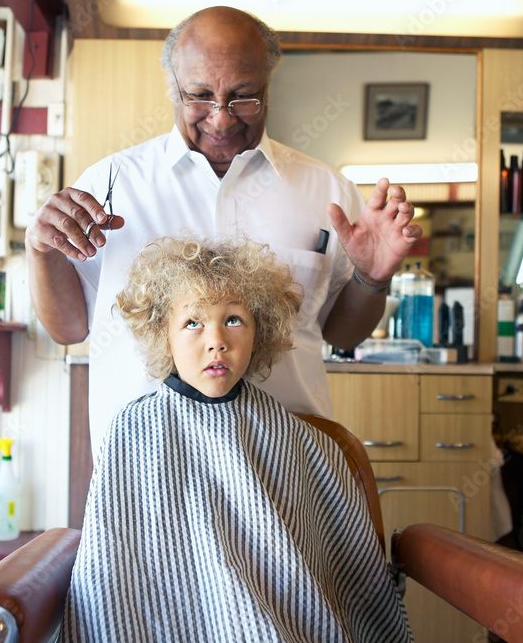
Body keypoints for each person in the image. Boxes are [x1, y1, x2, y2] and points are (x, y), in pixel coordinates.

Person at [26, 5, 423, 452]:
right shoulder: (110, 184)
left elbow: (341, 334)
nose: (221, 118)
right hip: (146, 472)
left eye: (243, 96)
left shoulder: (327, 192)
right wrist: (40, 250)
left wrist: (372, 278)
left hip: (284, 468)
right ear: (172, 88)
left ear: (269, 85)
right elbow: (69, 328)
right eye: (199, 96)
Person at [61, 237, 413, 643]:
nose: (216, 341)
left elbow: (337, 570)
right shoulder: (131, 431)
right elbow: (108, 571)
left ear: (258, 330)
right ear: (164, 334)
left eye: (233, 320)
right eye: (193, 322)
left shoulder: (294, 437)